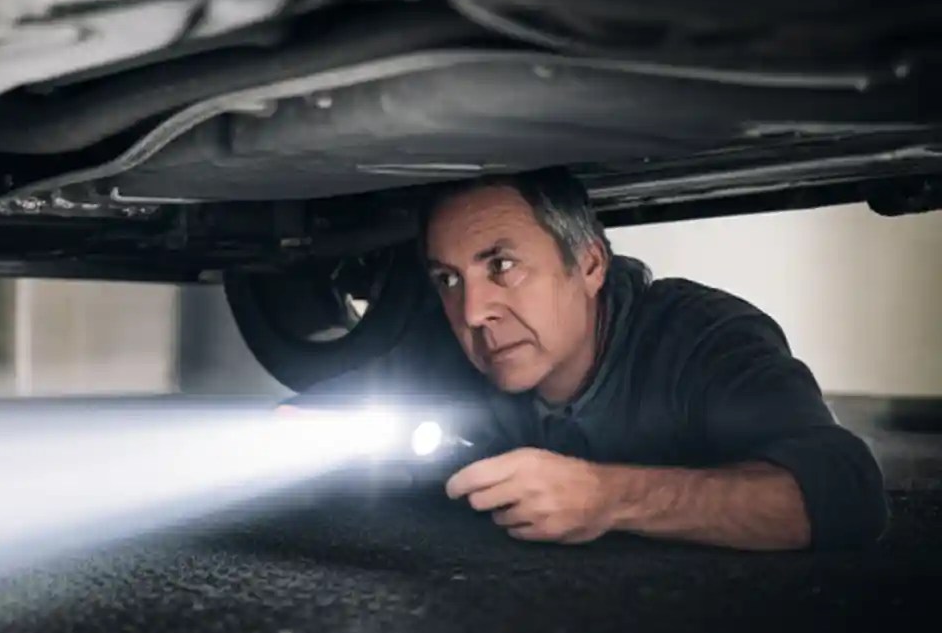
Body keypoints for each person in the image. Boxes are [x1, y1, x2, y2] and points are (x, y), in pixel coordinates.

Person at [291, 168, 889, 552]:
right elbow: (313, 416)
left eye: (502, 267)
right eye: (449, 279)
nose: (473, 311)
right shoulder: (455, 349)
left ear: (592, 265)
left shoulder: (703, 341)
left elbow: (849, 495)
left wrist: (608, 497)